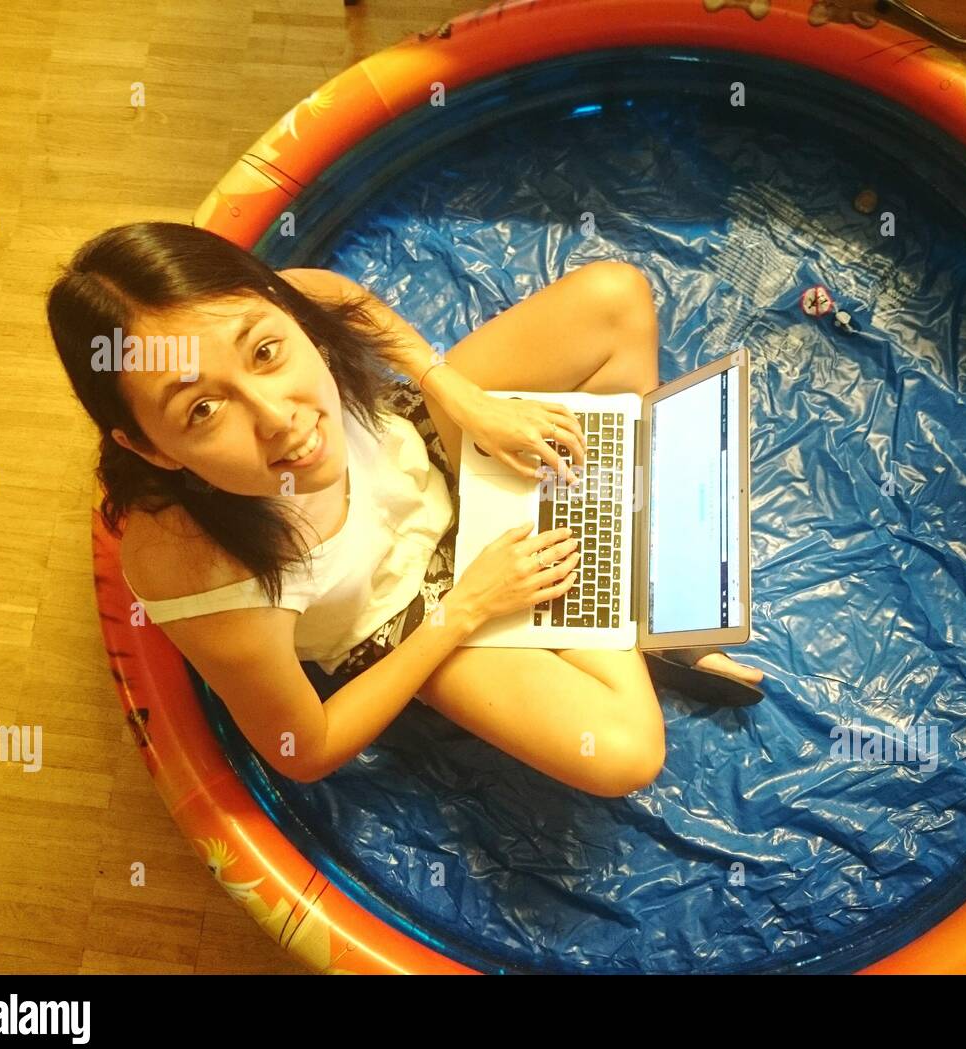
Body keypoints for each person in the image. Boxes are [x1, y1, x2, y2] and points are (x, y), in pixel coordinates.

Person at [46, 221, 763, 796]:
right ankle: (619, 597)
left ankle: (619, 582)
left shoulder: (256, 307)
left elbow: (323, 291)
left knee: (615, 296)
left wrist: (448, 387)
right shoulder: (193, 567)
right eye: (202, 408)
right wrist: (469, 607)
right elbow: (306, 748)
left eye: (266, 353)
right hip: (405, 611)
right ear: (150, 447)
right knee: (624, 753)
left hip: (422, 449)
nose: (278, 418)